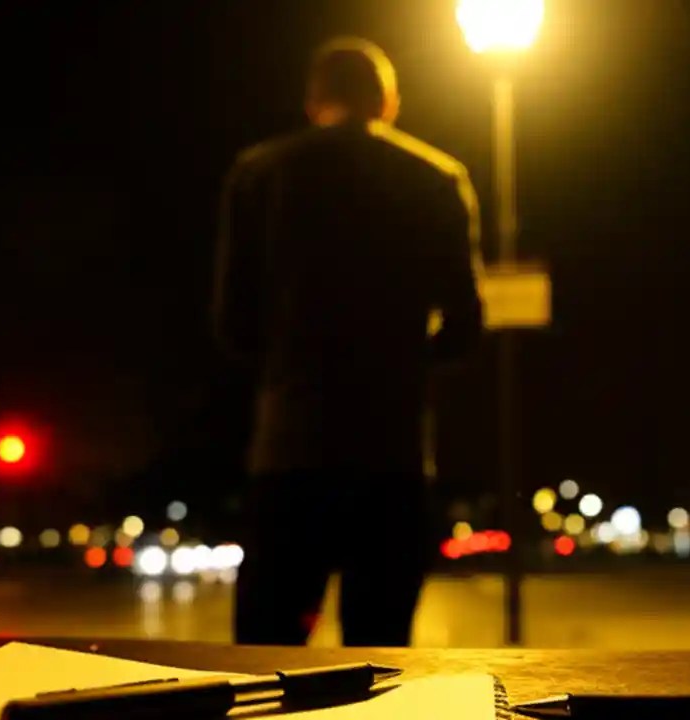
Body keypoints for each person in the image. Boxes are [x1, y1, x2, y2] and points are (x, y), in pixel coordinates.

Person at [213, 37, 484, 646]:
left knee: (265, 659)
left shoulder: (257, 174)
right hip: (391, 456)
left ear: (313, 101)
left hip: (289, 450)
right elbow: (466, 325)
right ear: (389, 103)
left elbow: (233, 324)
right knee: (383, 663)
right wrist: (407, 362)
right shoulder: (438, 180)